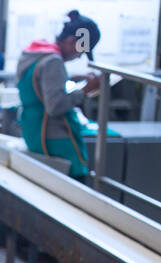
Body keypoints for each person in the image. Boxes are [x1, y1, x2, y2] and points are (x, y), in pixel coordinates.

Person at [16, 10, 102, 180]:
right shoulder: (53, 61)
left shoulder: (35, 53)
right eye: (81, 52)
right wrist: (86, 90)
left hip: (34, 131)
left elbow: (41, 85)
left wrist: (74, 78)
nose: (79, 57)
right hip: (55, 141)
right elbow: (55, 106)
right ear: (71, 41)